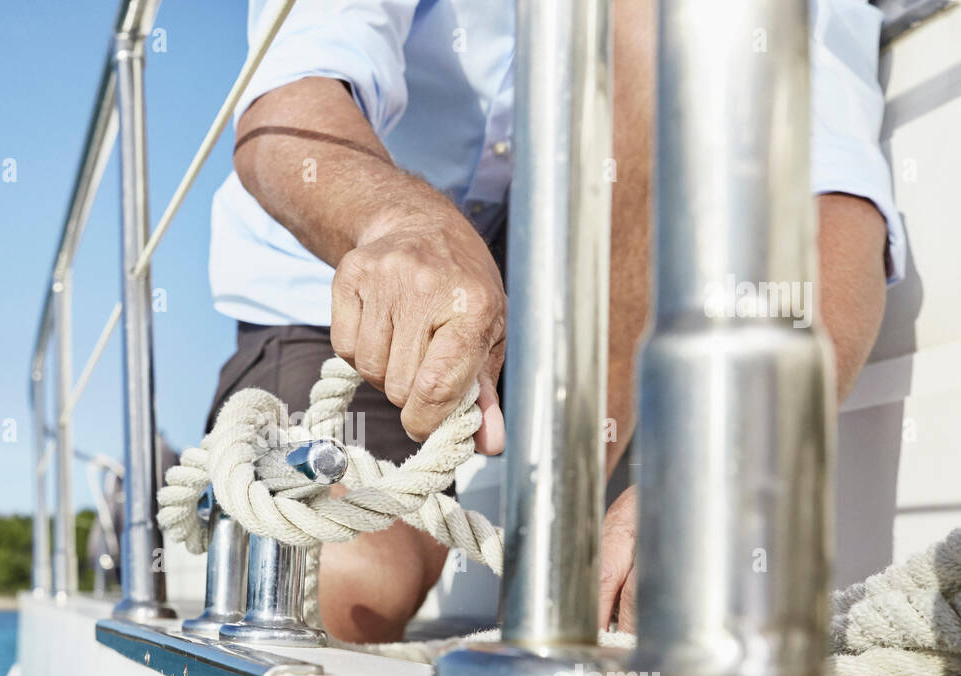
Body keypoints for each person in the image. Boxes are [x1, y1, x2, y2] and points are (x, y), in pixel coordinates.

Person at [206, 0, 904, 643]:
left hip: (587, 305)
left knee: (643, 20)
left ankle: (556, 574)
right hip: (345, 278)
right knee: (350, 588)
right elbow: (287, 108)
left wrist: (728, 467)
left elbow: (834, 193)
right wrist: (405, 223)